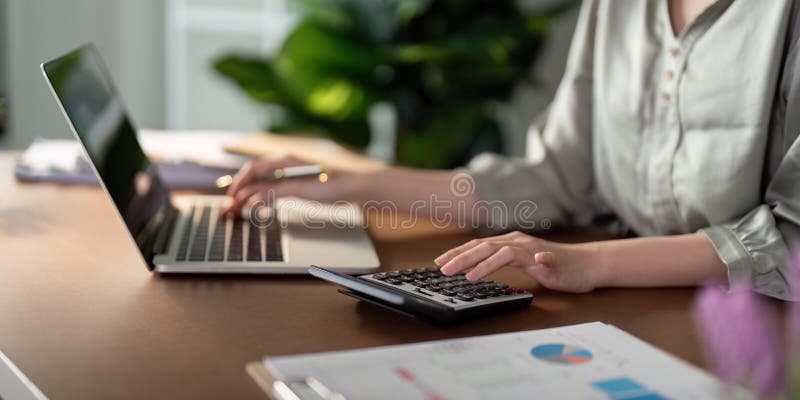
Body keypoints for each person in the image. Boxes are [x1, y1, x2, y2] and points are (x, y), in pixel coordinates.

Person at [223, 0, 800, 300]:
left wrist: (590, 262)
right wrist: (351, 184)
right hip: (631, 311)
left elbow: (791, 241)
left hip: (761, 341)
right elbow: (554, 179)